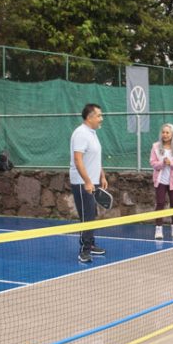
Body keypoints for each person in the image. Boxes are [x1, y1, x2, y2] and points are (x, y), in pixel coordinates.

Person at [70, 103, 108, 263]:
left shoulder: (92, 133)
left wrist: (102, 177)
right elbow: (78, 160)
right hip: (81, 183)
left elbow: (95, 158)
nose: (101, 118)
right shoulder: (80, 133)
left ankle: (91, 244)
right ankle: (84, 251)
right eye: (99, 115)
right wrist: (86, 181)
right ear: (90, 117)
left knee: (92, 214)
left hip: (93, 181)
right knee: (87, 216)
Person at [149, 123, 173, 239]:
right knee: (160, 203)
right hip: (160, 181)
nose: (165, 135)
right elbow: (153, 163)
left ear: (172, 134)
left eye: (167, 132)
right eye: (163, 132)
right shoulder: (155, 147)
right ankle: (158, 229)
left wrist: (171, 163)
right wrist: (162, 163)